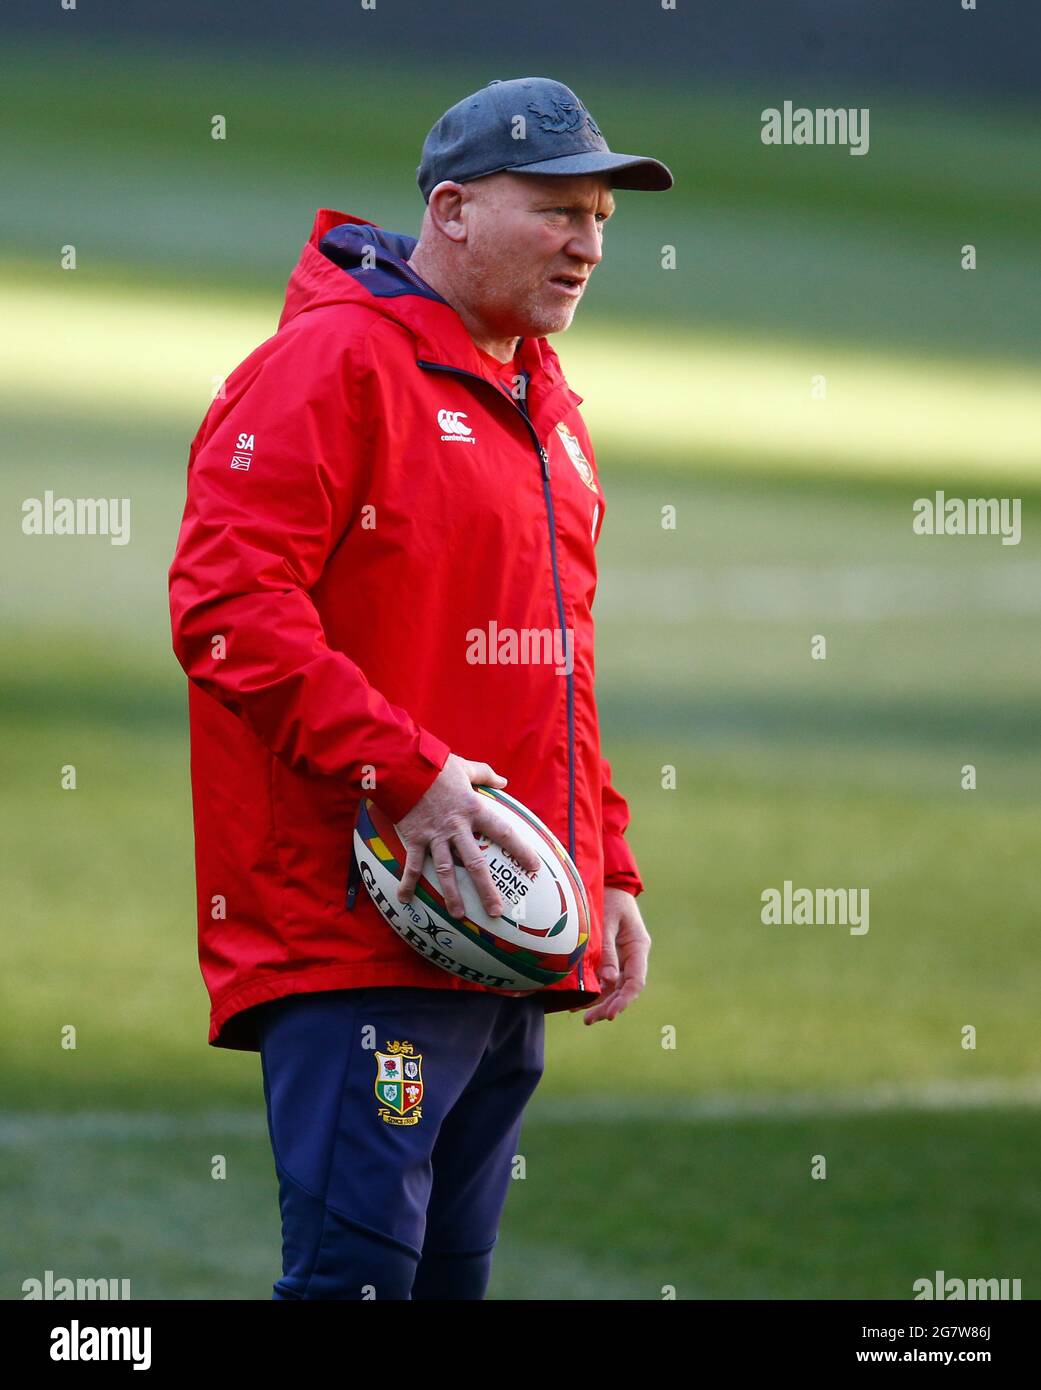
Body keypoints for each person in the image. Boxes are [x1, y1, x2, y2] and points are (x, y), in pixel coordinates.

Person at [168, 75, 671, 1301]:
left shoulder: (544, 401)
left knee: (447, 1287)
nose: (587, 244)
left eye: (600, 217)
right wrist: (411, 778)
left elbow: (560, 657)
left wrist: (603, 861)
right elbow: (227, 612)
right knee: (357, 1287)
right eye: (555, 209)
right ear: (450, 209)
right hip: (360, 924)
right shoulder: (327, 367)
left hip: (501, 931)